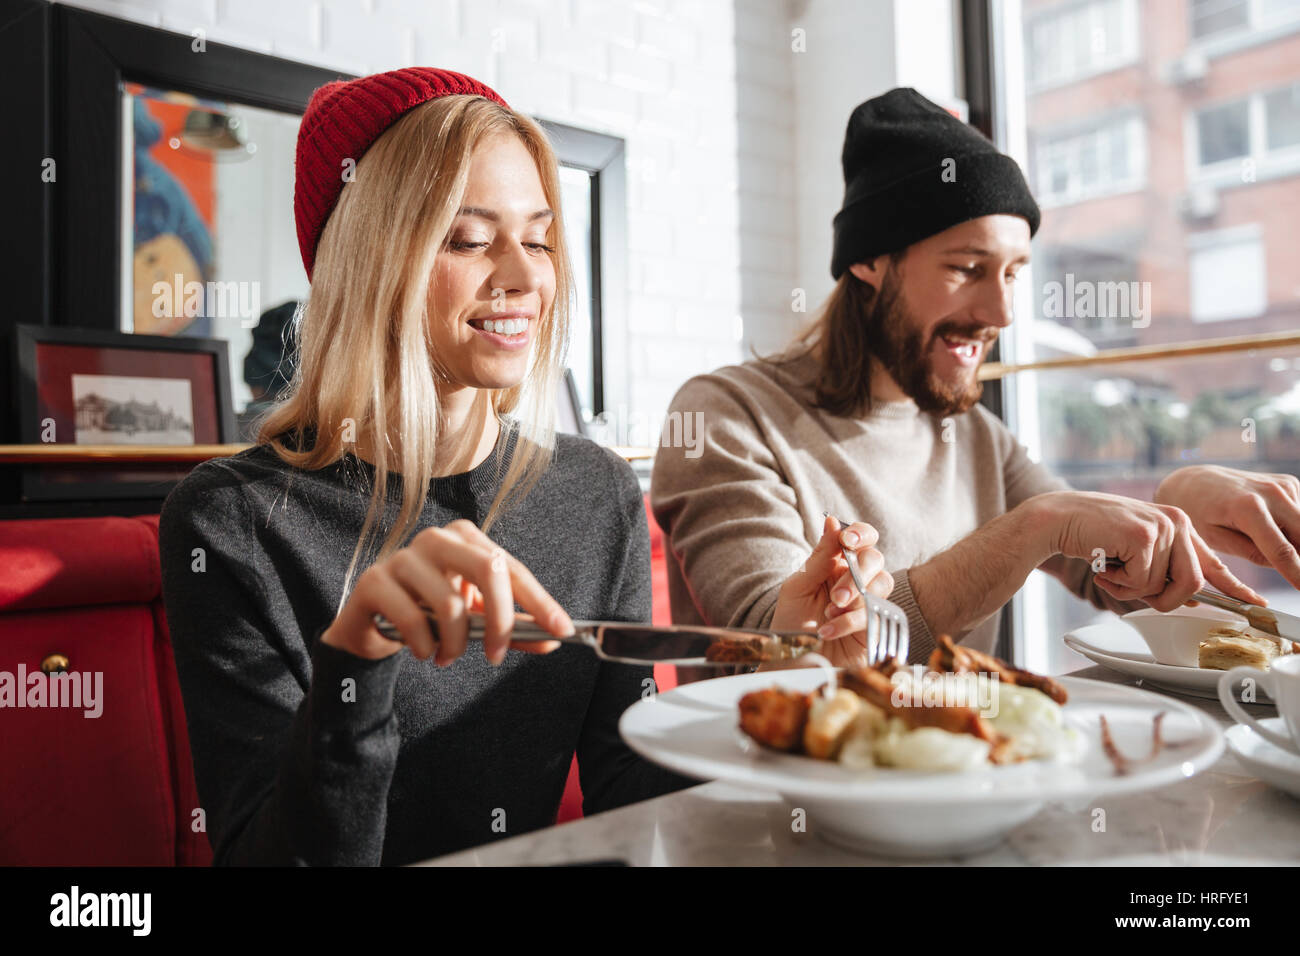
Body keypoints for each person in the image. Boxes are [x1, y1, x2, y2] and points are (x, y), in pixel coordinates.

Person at [158, 67, 892, 867]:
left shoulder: (595, 493)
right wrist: (357, 663)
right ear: (366, 260)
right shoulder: (231, 521)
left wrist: (774, 667)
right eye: (469, 239)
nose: (524, 276)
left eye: (538, 239)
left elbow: (641, 815)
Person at [651, 87, 1299, 667]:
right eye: (967, 267)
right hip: (768, 796)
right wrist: (1028, 530)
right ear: (870, 262)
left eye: (1013, 273)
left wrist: (1178, 504)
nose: (1000, 313)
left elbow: (1110, 575)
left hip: (960, 780)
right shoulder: (725, 416)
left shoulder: (977, 437)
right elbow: (773, 649)